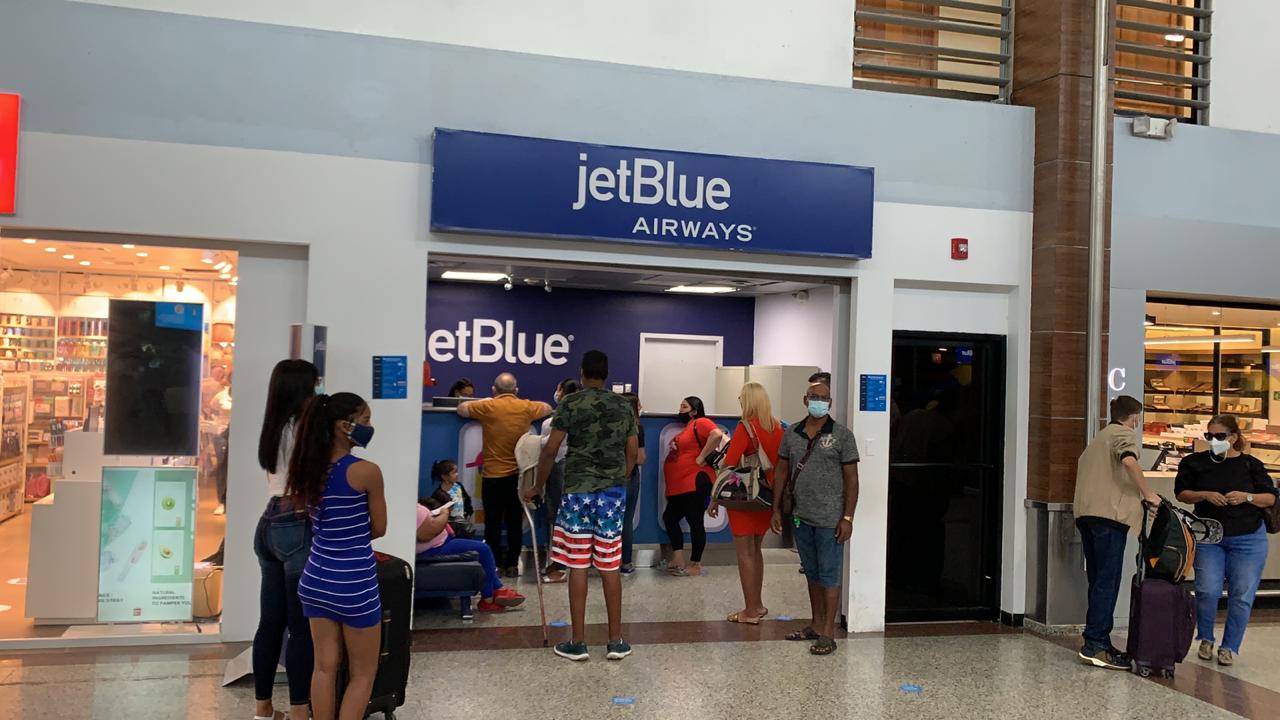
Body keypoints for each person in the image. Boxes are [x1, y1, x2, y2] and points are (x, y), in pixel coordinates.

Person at [525, 350, 639, 662]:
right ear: (606, 373)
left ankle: (578, 642)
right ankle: (616, 641)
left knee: (577, 564)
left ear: (582, 372)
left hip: (577, 492)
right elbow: (632, 452)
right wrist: (619, 478)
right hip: (612, 493)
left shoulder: (571, 403)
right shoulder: (623, 405)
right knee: (610, 564)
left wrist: (537, 486)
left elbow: (550, 450)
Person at [290, 392, 387, 720]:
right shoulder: (367, 472)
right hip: (354, 584)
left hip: (315, 578)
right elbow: (380, 527)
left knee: (323, 668)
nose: (370, 427)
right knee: (362, 675)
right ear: (346, 426)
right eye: (365, 420)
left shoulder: (308, 468)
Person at [1175, 414, 1278, 667]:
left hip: (1248, 538)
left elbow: (1271, 498)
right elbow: (1182, 494)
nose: (1214, 441)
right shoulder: (1194, 463)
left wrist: (1247, 497)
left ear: (1233, 437)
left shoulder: (1250, 465)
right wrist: (1205, 495)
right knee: (1207, 590)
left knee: (1242, 594)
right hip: (1210, 535)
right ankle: (1206, 637)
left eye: (1220, 436)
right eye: (1209, 436)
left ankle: (1230, 646)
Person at [1072, 395, 1161, 671]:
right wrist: (1150, 495)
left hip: (1087, 515)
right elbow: (1129, 462)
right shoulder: (1123, 434)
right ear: (1135, 417)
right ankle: (1096, 644)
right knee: (1107, 581)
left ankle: (1098, 639)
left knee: (1098, 580)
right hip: (1109, 517)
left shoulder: (1099, 439)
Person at [251, 359, 319, 720]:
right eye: (314, 386)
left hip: (269, 522)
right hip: (297, 522)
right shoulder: (303, 428)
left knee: (270, 624)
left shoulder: (273, 426)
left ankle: (263, 709)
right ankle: (298, 711)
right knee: (301, 626)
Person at [770, 382, 859, 656]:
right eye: (814, 397)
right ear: (804, 399)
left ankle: (828, 634)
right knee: (812, 573)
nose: (818, 401)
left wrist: (847, 517)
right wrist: (775, 510)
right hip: (801, 516)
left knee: (830, 576)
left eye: (824, 398)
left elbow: (852, 480)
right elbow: (782, 472)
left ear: (830, 403)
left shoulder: (842, 435)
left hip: (831, 519)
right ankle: (815, 625)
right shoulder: (791, 433)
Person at [457, 373, 552, 577]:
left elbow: (461, 408)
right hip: (517, 477)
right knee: (514, 522)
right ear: (515, 390)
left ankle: (495, 563)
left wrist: (487, 400)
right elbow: (547, 407)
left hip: (492, 476)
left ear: (494, 390)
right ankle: (511, 564)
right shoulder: (526, 407)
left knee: (492, 521)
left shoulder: (488, 406)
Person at [710, 382, 784, 624]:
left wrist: (714, 498)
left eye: (742, 398)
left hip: (745, 498)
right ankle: (758, 604)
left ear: (749, 401)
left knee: (744, 554)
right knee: (756, 551)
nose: (740, 402)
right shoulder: (777, 427)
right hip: (767, 497)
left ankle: (750, 611)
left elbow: (729, 462)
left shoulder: (745, 427)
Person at [416, 496, 525, 612]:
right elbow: (426, 533)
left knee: (482, 549)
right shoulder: (414, 510)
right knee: (483, 549)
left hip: (441, 543)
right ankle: (488, 598)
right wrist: (444, 514)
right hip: (436, 547)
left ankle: (498, 589)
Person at [662, 396, 724, 577]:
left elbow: (717, 434)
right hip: (680, 485)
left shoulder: (701, 422)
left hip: (694, 481)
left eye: (684, 406)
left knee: (695, 520)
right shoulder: (687, 428)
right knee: (670, 517)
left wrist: (702, 457)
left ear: (694, 410)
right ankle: (678, 557)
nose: (680, 409)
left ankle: (695, 564)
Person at [538, 378, 580, 583]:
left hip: (557, 470)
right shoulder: (583, 417)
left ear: (560, 392)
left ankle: (557, 565)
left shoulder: (552, 422)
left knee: (555, 517)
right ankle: (571, 562)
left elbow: (548, 450)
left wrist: (537, 485)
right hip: (577, 473)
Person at [620, 392, 647, 574]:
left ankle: (605, 560)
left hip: (610, 477)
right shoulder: (638, 428)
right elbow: (640, 458)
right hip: (630, 477)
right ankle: (626, 562)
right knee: (626, 521)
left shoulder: (611, 426)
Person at [428, 459, 475, 538]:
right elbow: (437, 514)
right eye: (454, 472)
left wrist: (468, 512)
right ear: (444, 476)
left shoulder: (459, 486)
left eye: (457, 471)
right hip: (450, 529)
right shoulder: (438, 494)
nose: (457, 474)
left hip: (463, 524)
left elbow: (467, 500)